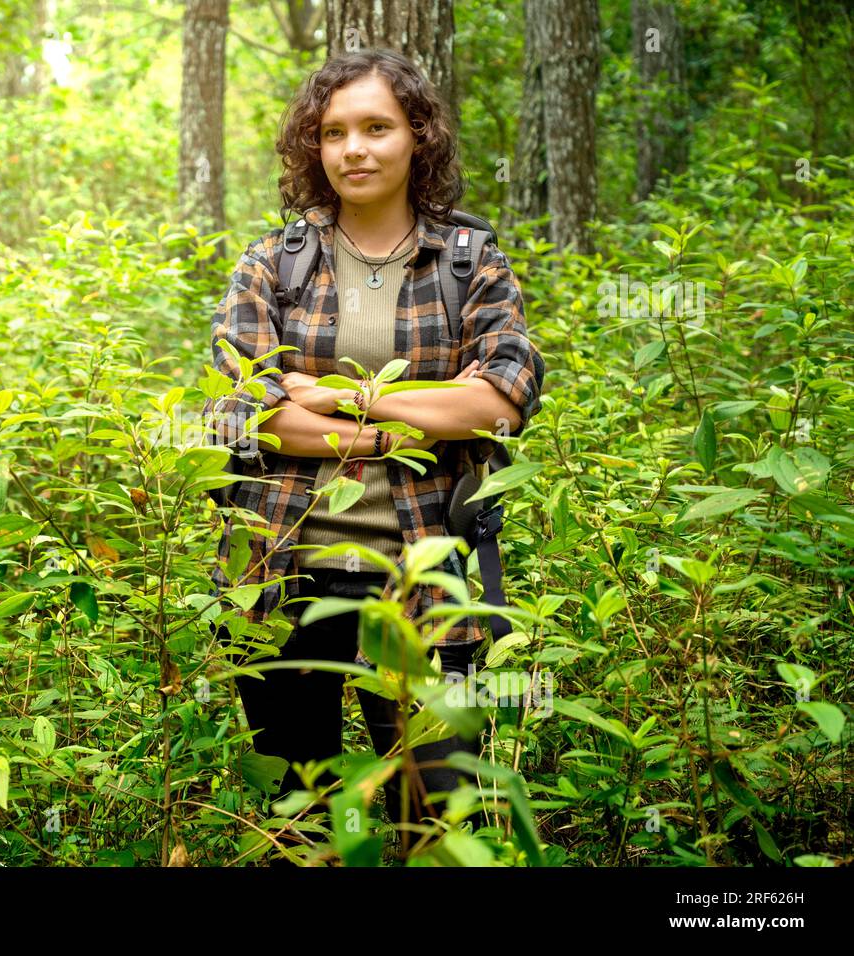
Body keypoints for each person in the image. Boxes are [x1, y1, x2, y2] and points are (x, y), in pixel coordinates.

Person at [203, 48, 546, 863]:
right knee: (301, 819)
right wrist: (407, 426)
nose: (354, 148)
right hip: (283, 576)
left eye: (376, 128)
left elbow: (500, 400)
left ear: (416, 139)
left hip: (430, 574)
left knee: (434, 818)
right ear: (313, 148)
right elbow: (250, 418)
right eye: (334, 132)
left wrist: (340, 396)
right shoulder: (273, 263)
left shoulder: (470, 261)